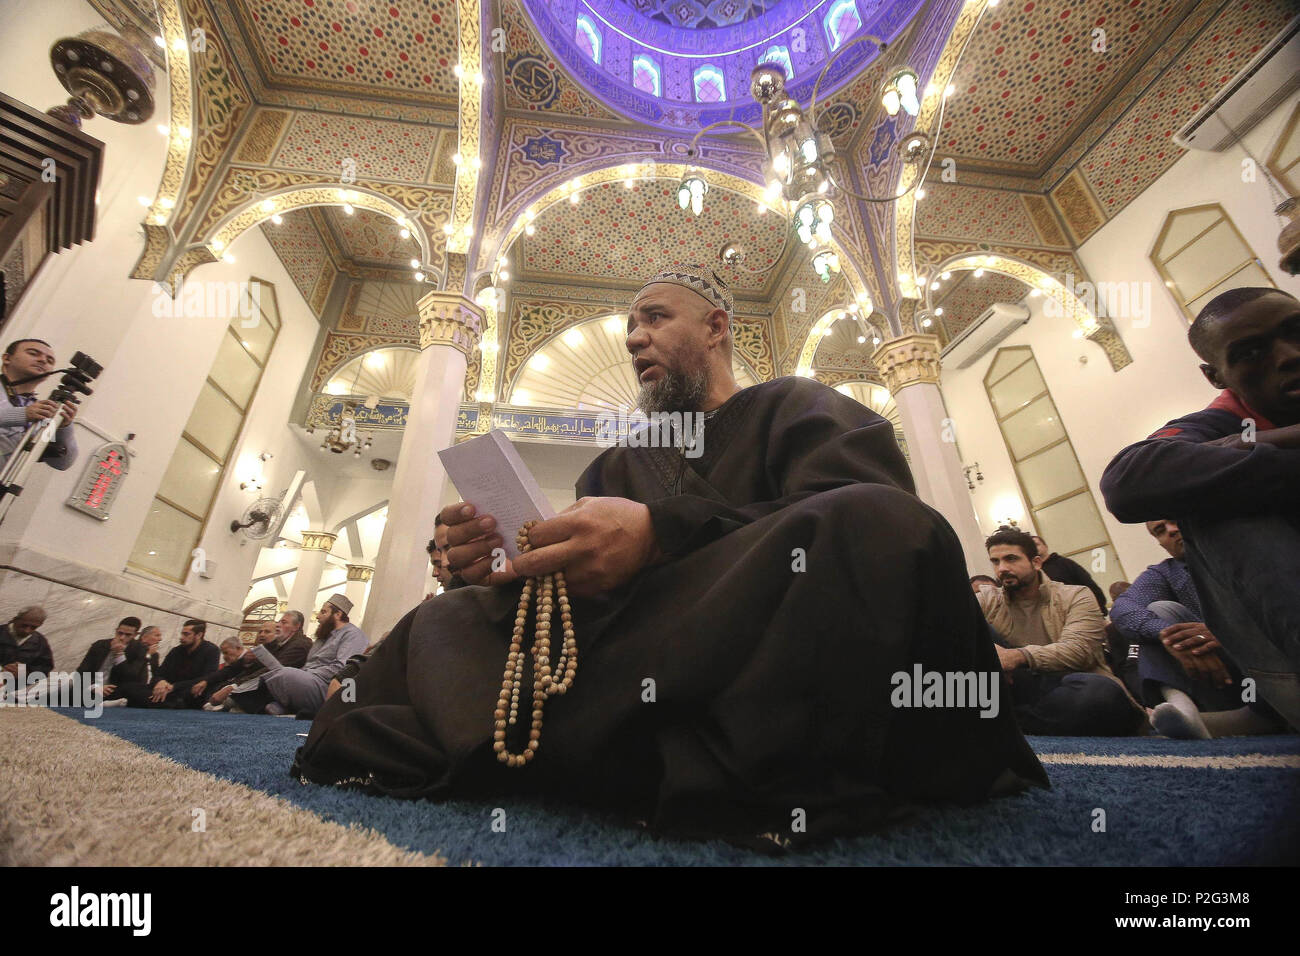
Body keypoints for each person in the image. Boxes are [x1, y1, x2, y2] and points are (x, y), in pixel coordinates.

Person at [294, 264, 1047, 847]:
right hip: (644, 656)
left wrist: (663, 536)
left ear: (716, 326)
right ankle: (651, 752)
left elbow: (871, 532)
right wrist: (492, 565)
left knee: (879, 523)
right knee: (451, 618)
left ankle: (619, 752)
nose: (632, 338)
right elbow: (573, 614)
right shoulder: (621, 466)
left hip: (780, 642)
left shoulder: (800, 405)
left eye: (654, 318)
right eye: (629, 327)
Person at [1100, 287, 1300, 730]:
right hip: (1266, 659)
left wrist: (1263, 445)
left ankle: (1244, 719)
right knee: (1212, 504)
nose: (1288, 356)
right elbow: (1127, 481)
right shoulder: (1223, 421)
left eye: (1296, 331)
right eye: (1251, 352)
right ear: (1217, 376)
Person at [1109, 518, 1284, 739]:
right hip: (1221, 676)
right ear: (1160, 543)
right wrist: (1167, 635)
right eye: (1160, 531)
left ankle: (1255, 717)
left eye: (1174, 519)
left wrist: (1227, 634)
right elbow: (1123, 609)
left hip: (1270, 663)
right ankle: (1181, 706)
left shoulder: (1244, 550)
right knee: (1159, 611)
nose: (1172, 531)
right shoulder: (1165, 573)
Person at [977, 527, 1140, 736]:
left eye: (1011, 559)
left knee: (1100, 693)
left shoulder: (1076, 595)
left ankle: (1006, 722)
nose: (1002, 569)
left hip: (1067, 684)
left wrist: (1016, 656)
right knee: (962, 623)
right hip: (1015, 686)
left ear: (1036, 562)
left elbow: (1078, 651)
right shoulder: (988, 600)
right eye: (996, 562)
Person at [231, 597, 367, 718]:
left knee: (285, 674)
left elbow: (342, 669)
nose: (318, 617)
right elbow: (309, 664)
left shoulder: (353, 635)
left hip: (327, 686)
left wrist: (304, 674)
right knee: (281, 674)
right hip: (309, 680)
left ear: (337, 614)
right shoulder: (323, 637)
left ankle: (239, 696)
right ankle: (240, 695)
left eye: (323, 612)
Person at [199, 613, 311, 711]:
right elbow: (241, 670)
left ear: (296, 626)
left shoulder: (299, 645)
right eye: (260, 631)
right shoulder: (279, 645)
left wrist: (234, 687)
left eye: (283, 622)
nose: (262, 635)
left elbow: (273, 671)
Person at [0, 339, 79, 470]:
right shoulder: (33, 411)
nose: (42, 360)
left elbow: (63, 463)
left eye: (50, 361)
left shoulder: (41, 412)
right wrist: (23, 414)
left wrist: (63, 428)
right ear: (7, 358)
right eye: (33, 353)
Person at [109, 621, 219, 708]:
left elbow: (208, 677)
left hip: (186, 693)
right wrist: (160, 681)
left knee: (172, 700)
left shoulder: (211, 650)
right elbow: (159, 673)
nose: (181, 637)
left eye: (186, 634)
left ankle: (127, 701)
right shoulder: (176, 651)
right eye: (182, 633)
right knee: (128, 687)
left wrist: (173, 687)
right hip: (165, 691)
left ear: (199, 635)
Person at [1030, 535, 1107, 614]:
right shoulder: (1032, 572)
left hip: (1080, 609)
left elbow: (1088, 584)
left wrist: (1100, 609)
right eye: (1030, 547)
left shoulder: (1064, 563)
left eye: (1036, 545)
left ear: (1045, 546)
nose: (1034, 548)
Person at [75, 617, 141, 684]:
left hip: (114, 691)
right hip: (90, 686)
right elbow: (82, 670)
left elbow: (130, 678)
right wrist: (93, 687)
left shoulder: (139, 650)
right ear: (116, 630)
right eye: (120, 633)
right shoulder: (99, 645)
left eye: (128, 635)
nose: (122, 637)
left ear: (135, 635)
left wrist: (120, 654)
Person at [0, 606, 53, 679]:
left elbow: (46, 667)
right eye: (24, 625)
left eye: (33, 627)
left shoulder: (40, 641)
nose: (27, 630)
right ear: (15, 619)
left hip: (19, 686)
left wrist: (27, 673)